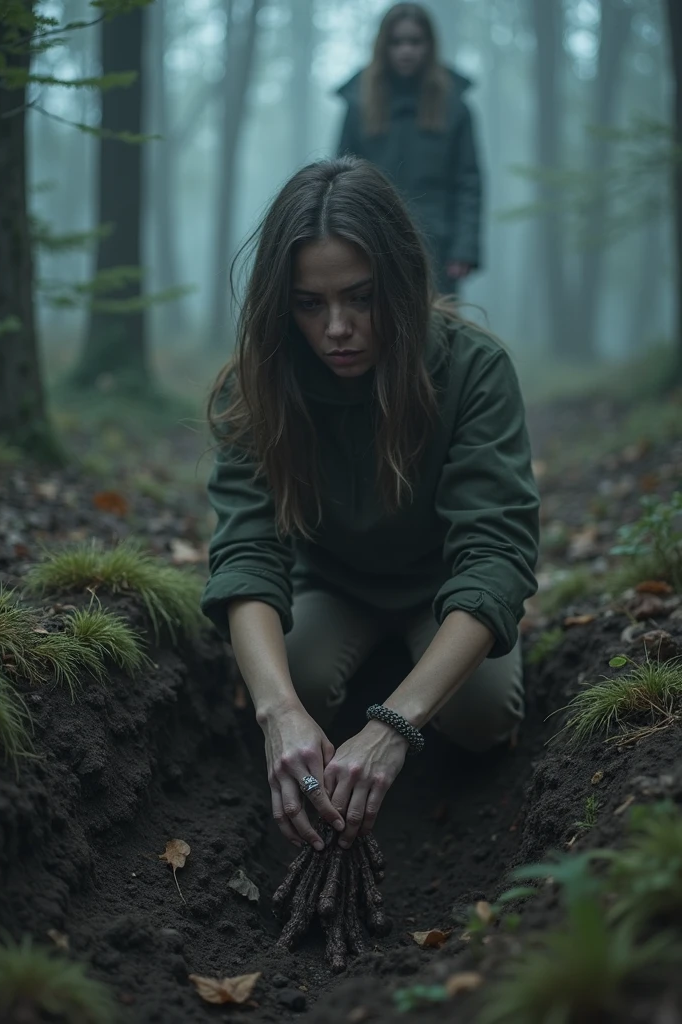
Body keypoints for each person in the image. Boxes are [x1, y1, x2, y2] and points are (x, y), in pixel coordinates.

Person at [202, 157, 538, 856]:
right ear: (281, 302)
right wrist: (278, 713)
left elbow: (496, 556)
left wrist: (394, 726)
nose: (337, 327)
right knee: (295, 678)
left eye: (361, 297)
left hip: (445, 588)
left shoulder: (475, 370)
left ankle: (422, 681)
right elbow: (247, 553)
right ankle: (345, 690)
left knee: (484, 715)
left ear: (401, 281)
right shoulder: (259, 383)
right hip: (329, 586)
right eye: (309, 304)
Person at [336, 2, 482, 296]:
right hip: (372, 242)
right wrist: (342, 239)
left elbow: (468, 181)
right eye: (397, 42)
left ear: (429, 45)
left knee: (437, 322)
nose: (406, 50)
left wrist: (464, 248)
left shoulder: (454, 106)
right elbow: (340, 178)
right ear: (384, 46)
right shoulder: (360, 103)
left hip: (437, 246)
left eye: (415, 41)